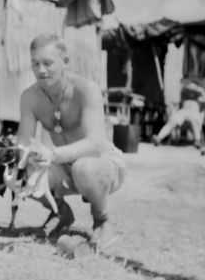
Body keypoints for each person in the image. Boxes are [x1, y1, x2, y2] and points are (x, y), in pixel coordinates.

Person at [16, 34, 126, 244]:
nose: (41, 70)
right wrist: (27, 155)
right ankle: (60, 212)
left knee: (84, 168)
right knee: (21, 174)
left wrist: (53, 154)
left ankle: (102, 220)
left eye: (48, 63)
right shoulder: (29, 97)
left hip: (102, 163)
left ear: (65, 62)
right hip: (63, 165)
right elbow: (23, 142)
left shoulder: (86, 89)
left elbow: (95, 143)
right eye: (35, 63)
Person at [151, 79, 205, 149]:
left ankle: (197, 140)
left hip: (193, 115)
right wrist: (181, 89)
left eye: (193, 91)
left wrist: (203, 92)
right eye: (189, 91)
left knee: (193, 120)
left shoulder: (200, 99)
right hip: (182, 115)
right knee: (173, 119)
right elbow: (172, 101)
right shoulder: (184, 98)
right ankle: (159, 138)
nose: (191, 93)